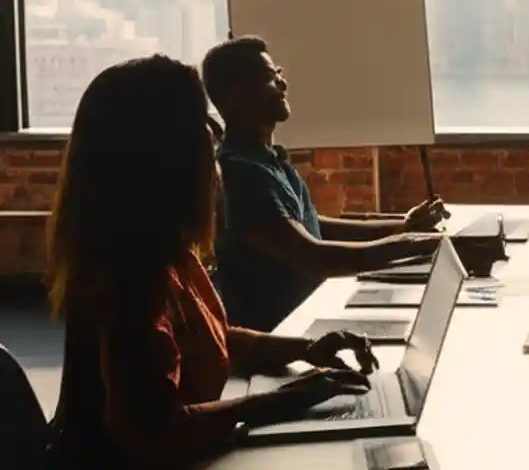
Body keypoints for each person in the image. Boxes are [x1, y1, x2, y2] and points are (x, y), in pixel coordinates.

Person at [45, 55, 377, 468]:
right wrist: (279, 402)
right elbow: (154, 431)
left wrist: (307, 349)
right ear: (161, 155)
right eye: (201, 125)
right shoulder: (131, 279)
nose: (215, 137)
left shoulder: (165, 249)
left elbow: (208, 338)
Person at [201, 36, 446, 332]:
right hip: (278, 337)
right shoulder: (240, 172)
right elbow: (315, 257)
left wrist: (403, 227)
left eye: (279, 74)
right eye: (269, 78)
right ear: (236, 98)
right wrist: (412, 244)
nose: (282, 84)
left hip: (307, 319)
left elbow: (313, 225)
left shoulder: (267, 158)